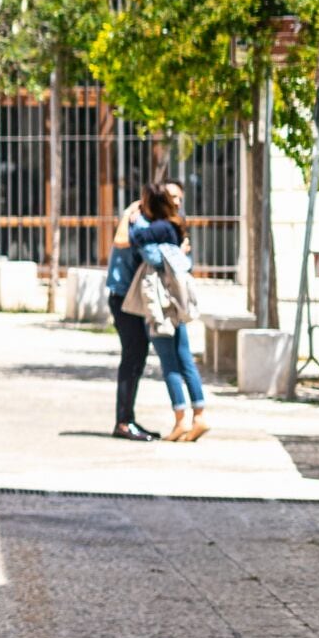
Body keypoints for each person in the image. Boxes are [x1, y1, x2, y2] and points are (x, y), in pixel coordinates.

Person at [125, 180, 209, 441]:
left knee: (170, 363)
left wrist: (133, 219)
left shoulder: (160, 227)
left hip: (161, 304)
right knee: (185, 359)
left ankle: (181, 419)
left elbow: (146, 249)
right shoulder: (176, 227)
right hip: (176, 301)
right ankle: (199, 415)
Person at [102, 202, 161, 442]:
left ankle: (127, 419)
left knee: (136, 357)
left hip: (128, 298)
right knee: (132, 358)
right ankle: (124, 422)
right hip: (125, 299)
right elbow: (153, 256)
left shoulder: (137, 221)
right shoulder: (140, 223)